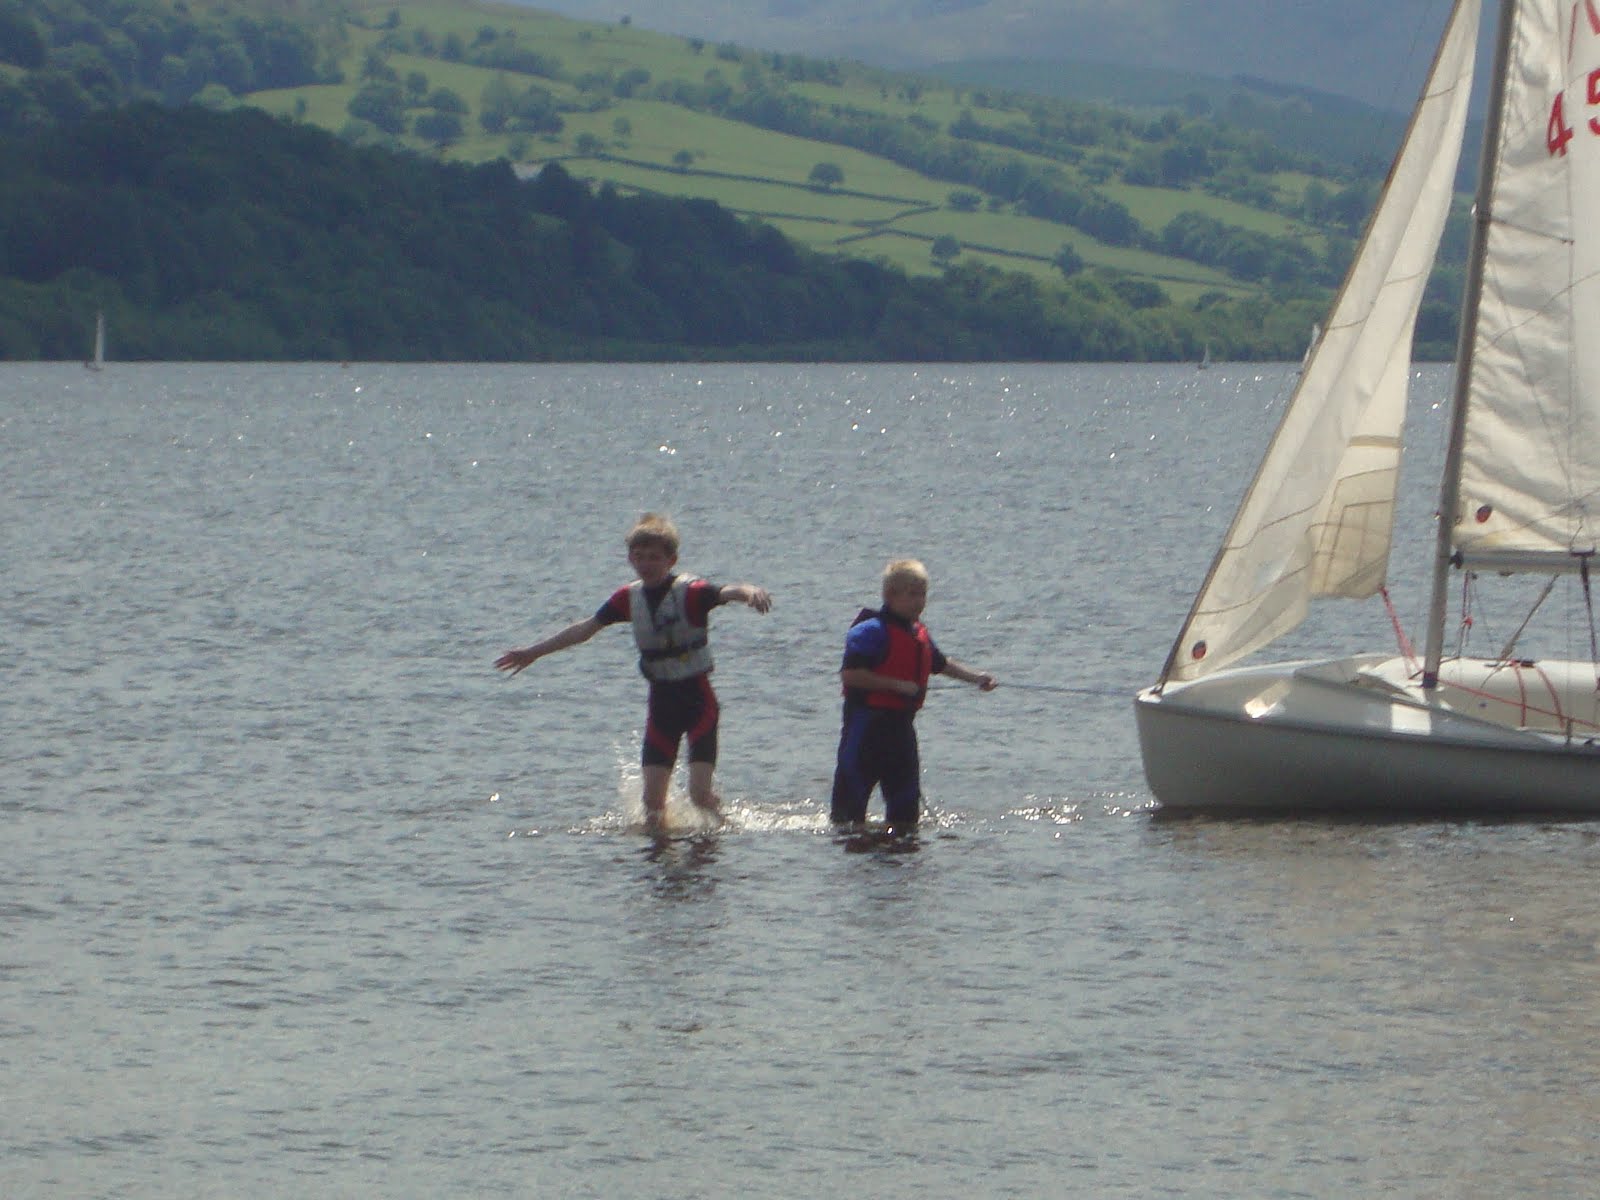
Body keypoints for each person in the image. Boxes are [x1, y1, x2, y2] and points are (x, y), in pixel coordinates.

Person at [495, 513, 771, 832]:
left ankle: (728, 834)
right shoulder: (628, 598)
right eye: (639, 557)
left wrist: (751, 592)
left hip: (699, 705)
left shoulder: (691, 592)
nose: (646, 564)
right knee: (652, 807)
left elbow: (727, 591)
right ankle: (658, 867)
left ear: (671, 560)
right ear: (630, 558)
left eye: (654, 557)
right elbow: (585, 629)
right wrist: (532, 653)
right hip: (661, 708)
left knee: (698, 795)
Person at [830, 559, 997, 831]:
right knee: (847, 820)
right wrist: (897, 685)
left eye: (922, 595)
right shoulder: (869, 632)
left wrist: (977, 678)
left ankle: (905, 867)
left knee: (906, 817)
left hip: (901, 733)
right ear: (890, 596)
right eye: (911, 595)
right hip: (866, 732)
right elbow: (850, 675)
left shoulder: (918, 634)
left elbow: (940, 663)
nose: (919, 602)